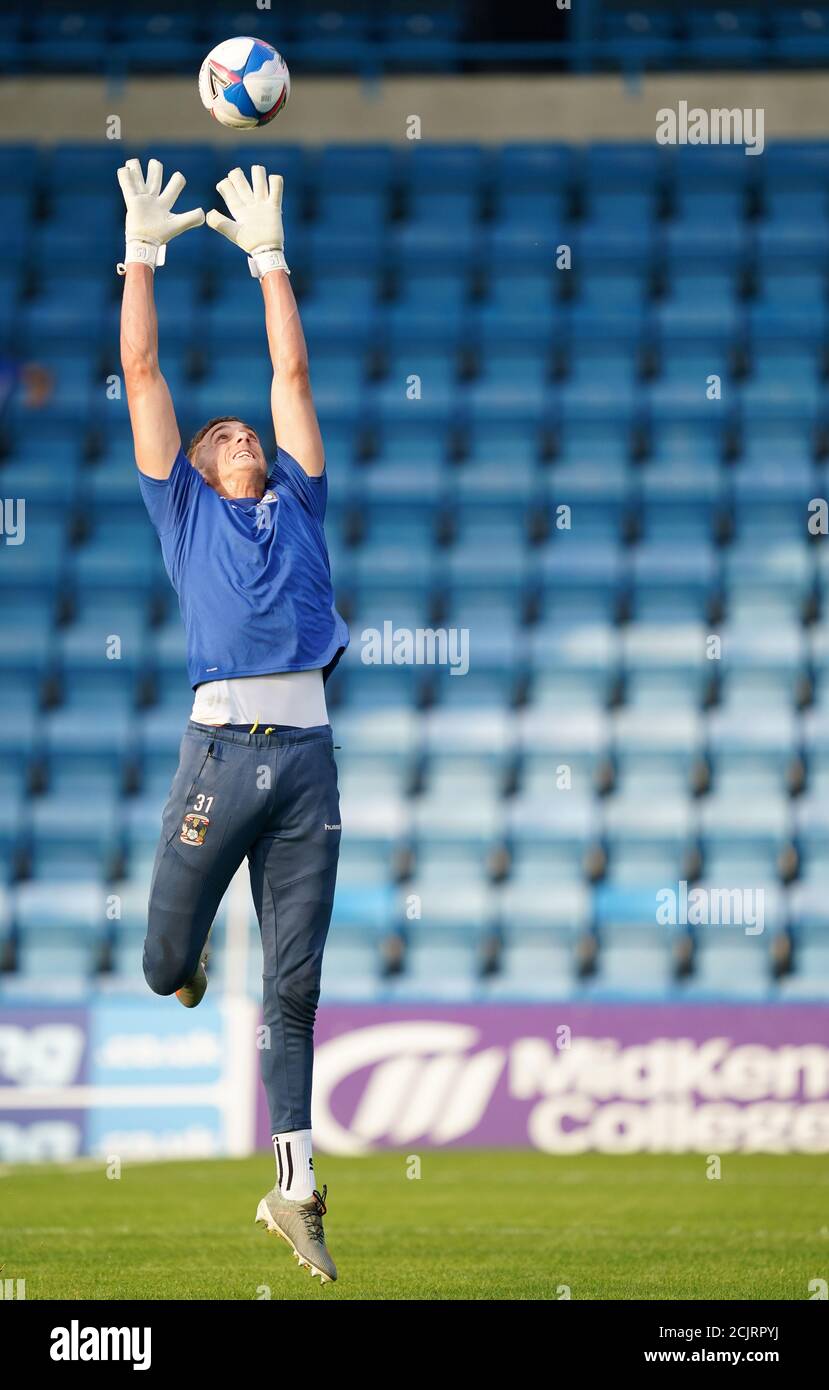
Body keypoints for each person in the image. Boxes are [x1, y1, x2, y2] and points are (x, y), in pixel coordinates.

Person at [118, 157, 349, 1284]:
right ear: (197, 474)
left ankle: (295, 1185)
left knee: (295, 986)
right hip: (219, 758)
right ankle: (184, 959)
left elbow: (291, 370)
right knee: (166, 965)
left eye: (243, 431)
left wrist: (269, 258)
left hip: (307, 759)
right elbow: (142, 366)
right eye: (218, 439)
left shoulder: (300, 495)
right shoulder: (181, 512)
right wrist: (142, 254)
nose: (236, 435)